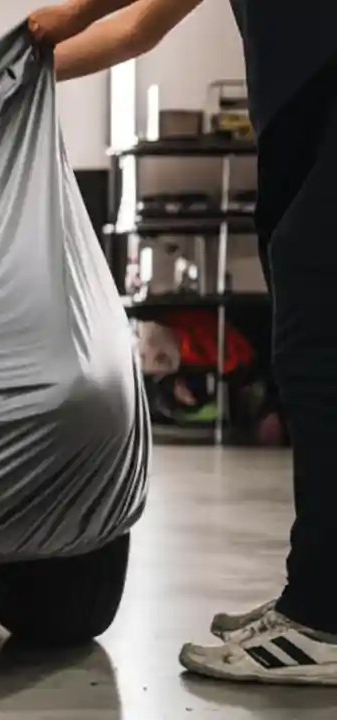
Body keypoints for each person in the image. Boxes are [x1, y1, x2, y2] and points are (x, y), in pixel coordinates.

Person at [27, 0, 337, 685]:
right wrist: (20, 69)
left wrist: (63, 17)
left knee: (317, 354)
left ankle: (322, 619)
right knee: (310, 348)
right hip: (306, 129)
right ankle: (315, 596)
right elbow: (139, 27)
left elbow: (105, 18)